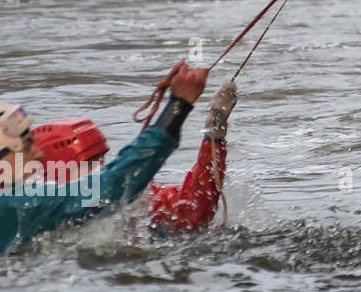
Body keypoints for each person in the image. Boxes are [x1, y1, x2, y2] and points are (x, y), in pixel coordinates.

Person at [0, 61, 208, 254]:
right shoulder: (16, 204)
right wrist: (178, 105)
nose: (39, 154)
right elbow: (112, 184)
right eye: (26, 146)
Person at [28, 80, 238, 233]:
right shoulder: (36, 216)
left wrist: (213, 137)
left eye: (101, 159)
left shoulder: (132, 198)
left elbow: (193, 212)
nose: (102, 168)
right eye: (90, 163)